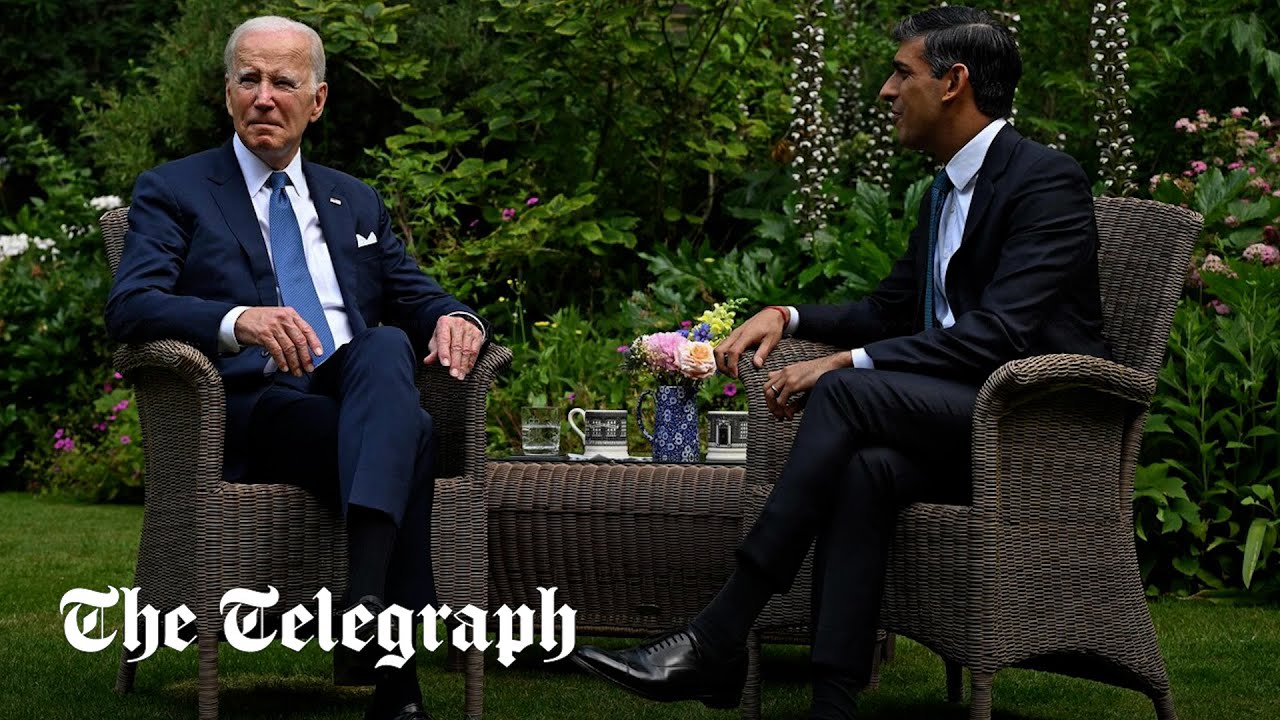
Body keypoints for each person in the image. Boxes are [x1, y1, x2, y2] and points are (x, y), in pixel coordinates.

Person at [572, 6, 1110, 720]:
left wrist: (844, 365)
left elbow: (998, 335)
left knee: (845, 395)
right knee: (865, 470)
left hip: (1035, 428)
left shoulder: (1046, 181)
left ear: (953, 82)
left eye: (901, 73)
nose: (887, 91)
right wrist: (786, 315)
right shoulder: (943, 190)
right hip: (958, 420)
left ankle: (720, 633)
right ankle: (832, 702)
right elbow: (886, 310)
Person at [104, 16, 486, 720]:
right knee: (417, 437)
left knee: (386, 345)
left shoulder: (352, 199)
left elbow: (415, 295)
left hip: (348, 391)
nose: (264, 96)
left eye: (284, 81)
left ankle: (365, 606)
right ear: (227, 94)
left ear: (317, 101)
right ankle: (391, 669)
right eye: (248, 79)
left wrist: (459, 318)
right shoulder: (176, 190)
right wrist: (234, 321)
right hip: (251, 407)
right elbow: (131, 305)